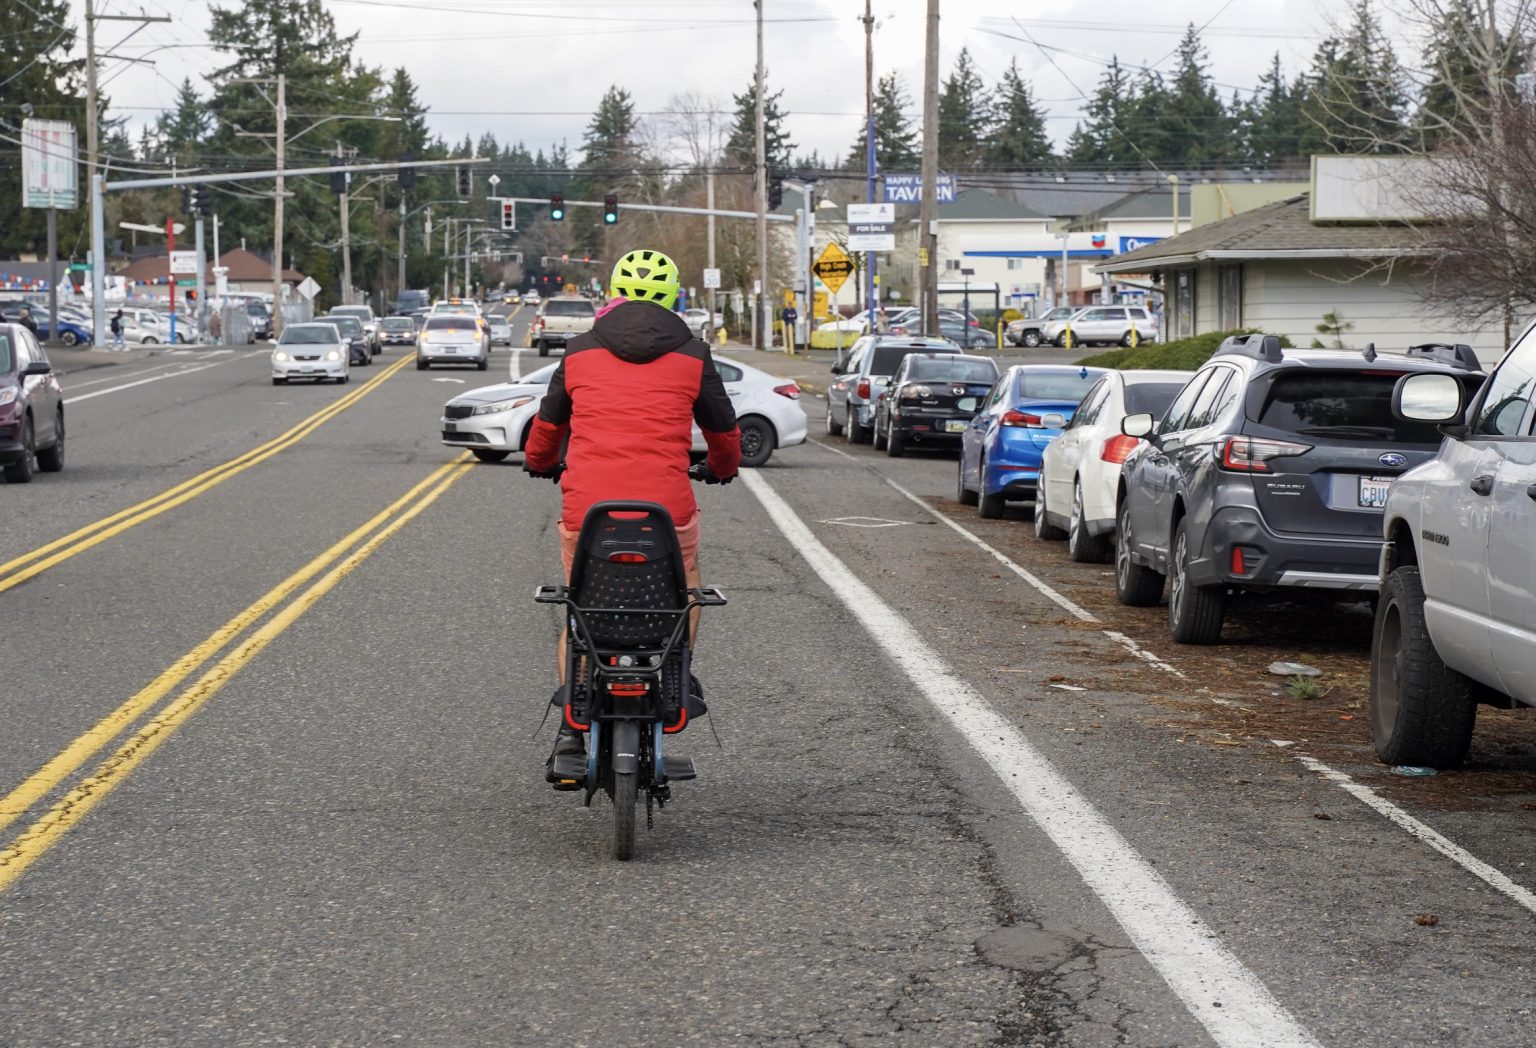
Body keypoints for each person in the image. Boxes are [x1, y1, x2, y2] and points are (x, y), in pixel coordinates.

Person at [524, 248, 741, 763]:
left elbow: (548, 428)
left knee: (578, 609)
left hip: (588, 510)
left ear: (613, 295)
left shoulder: (578, 351)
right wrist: (720, 468)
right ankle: (676, 672)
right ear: (674, 299)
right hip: (666, 510)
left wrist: (540, 461)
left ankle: (569, 730)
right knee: (686, 585)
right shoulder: (692, 353)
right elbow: (724, 434)